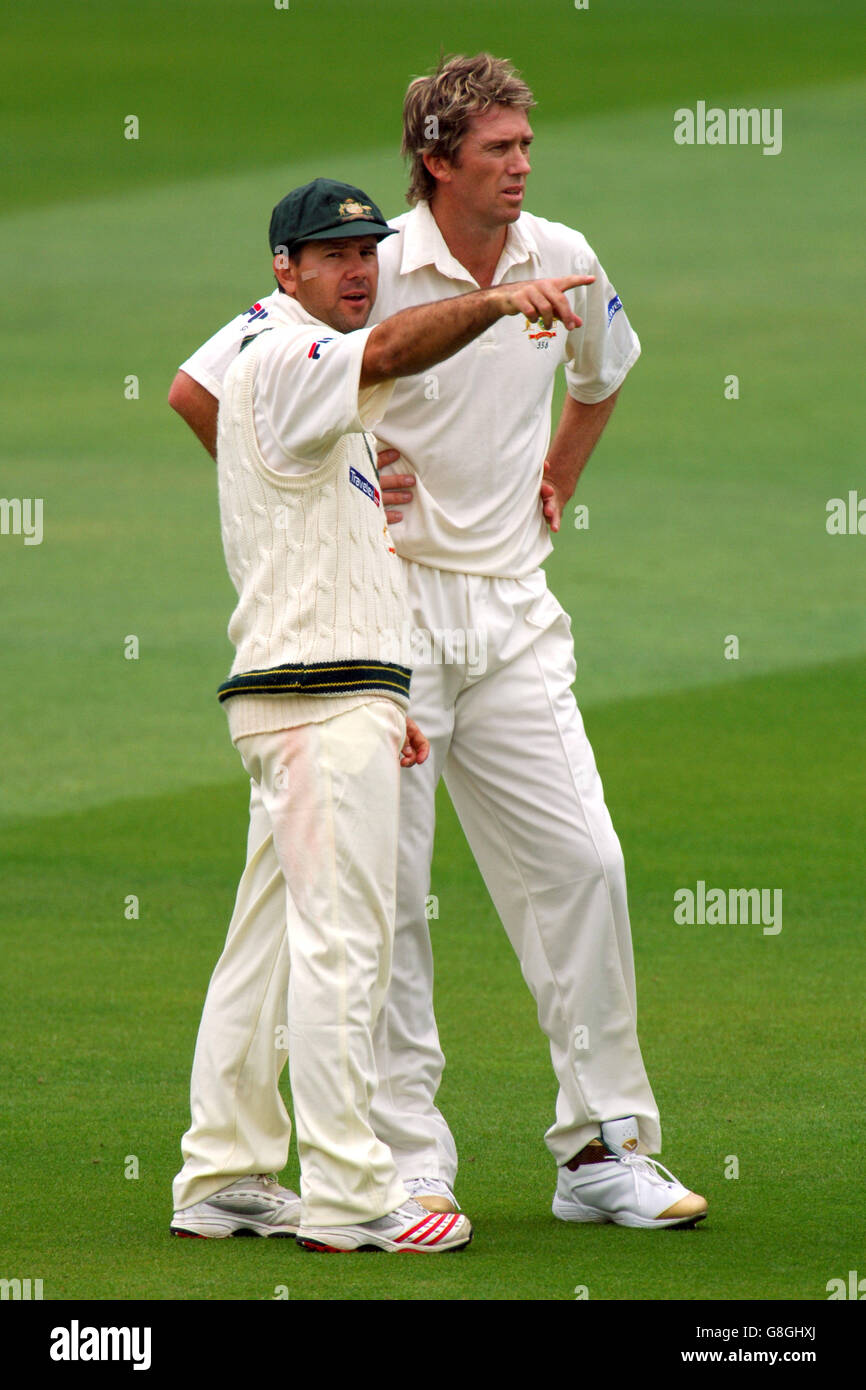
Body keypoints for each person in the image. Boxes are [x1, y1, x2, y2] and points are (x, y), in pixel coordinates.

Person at [169, 55, 707, 1230]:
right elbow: (202, 393)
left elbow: (602, 371)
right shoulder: (356, 275)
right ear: (437, 161)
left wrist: (555, 478)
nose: (521, 166)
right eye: (499, 149)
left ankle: (602, 1148)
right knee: (387, 906)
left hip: (513, 611)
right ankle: (409, 1162)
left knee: (585, 864)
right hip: (383, 620)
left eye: (526, 146)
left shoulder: (563, 253)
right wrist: (321, 489)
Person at [170, 175, 592, 1250]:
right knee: (342, 945)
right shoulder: (288, 354)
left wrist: (385, 690)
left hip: (325, 694)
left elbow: (342, 550)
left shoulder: (301, 373)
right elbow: (396, 352)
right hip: (315, 701)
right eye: (332, 256)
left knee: (266, 947)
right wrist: (498, 305)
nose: (357, 270)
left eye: (367, 252)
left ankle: (219, 1173)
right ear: (285, 269)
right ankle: (356, 1196)